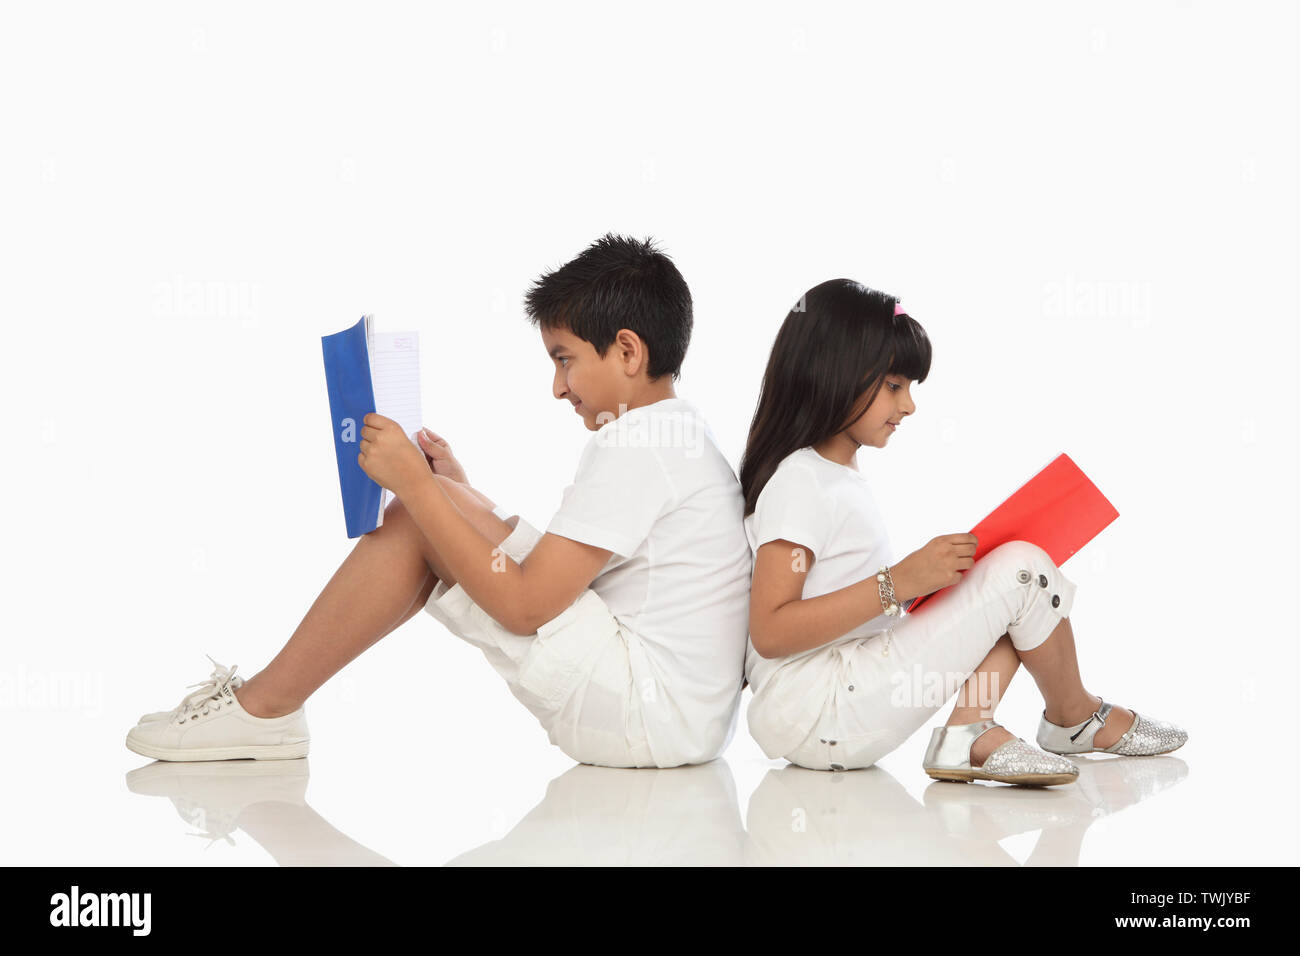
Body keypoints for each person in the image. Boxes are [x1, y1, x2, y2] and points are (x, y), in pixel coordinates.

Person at [126, 234, 752, 769]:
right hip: (677, 718)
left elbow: (528, 605)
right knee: (437, 504)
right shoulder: (675, 435)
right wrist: (453, 493)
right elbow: (563, 570)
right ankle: (270, 708)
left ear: (626, 350)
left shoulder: (638, 445)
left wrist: (422, 492)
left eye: (565, 361)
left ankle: (264, 709)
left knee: (415, 515)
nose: (557, 388)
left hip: (645, 717)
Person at [740, 279, 1187, 785]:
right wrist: (898, 583)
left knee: (1007, 576)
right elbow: (771, 631)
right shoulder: (801, 480)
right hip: (819, 707)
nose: (909, 405)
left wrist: (920, 588)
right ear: (833, 374)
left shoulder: (831, 477)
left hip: (832, 700)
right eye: (893, 385)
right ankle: (1072, 717)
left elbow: (848, 605)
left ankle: (974, 729)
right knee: (1022, 571)